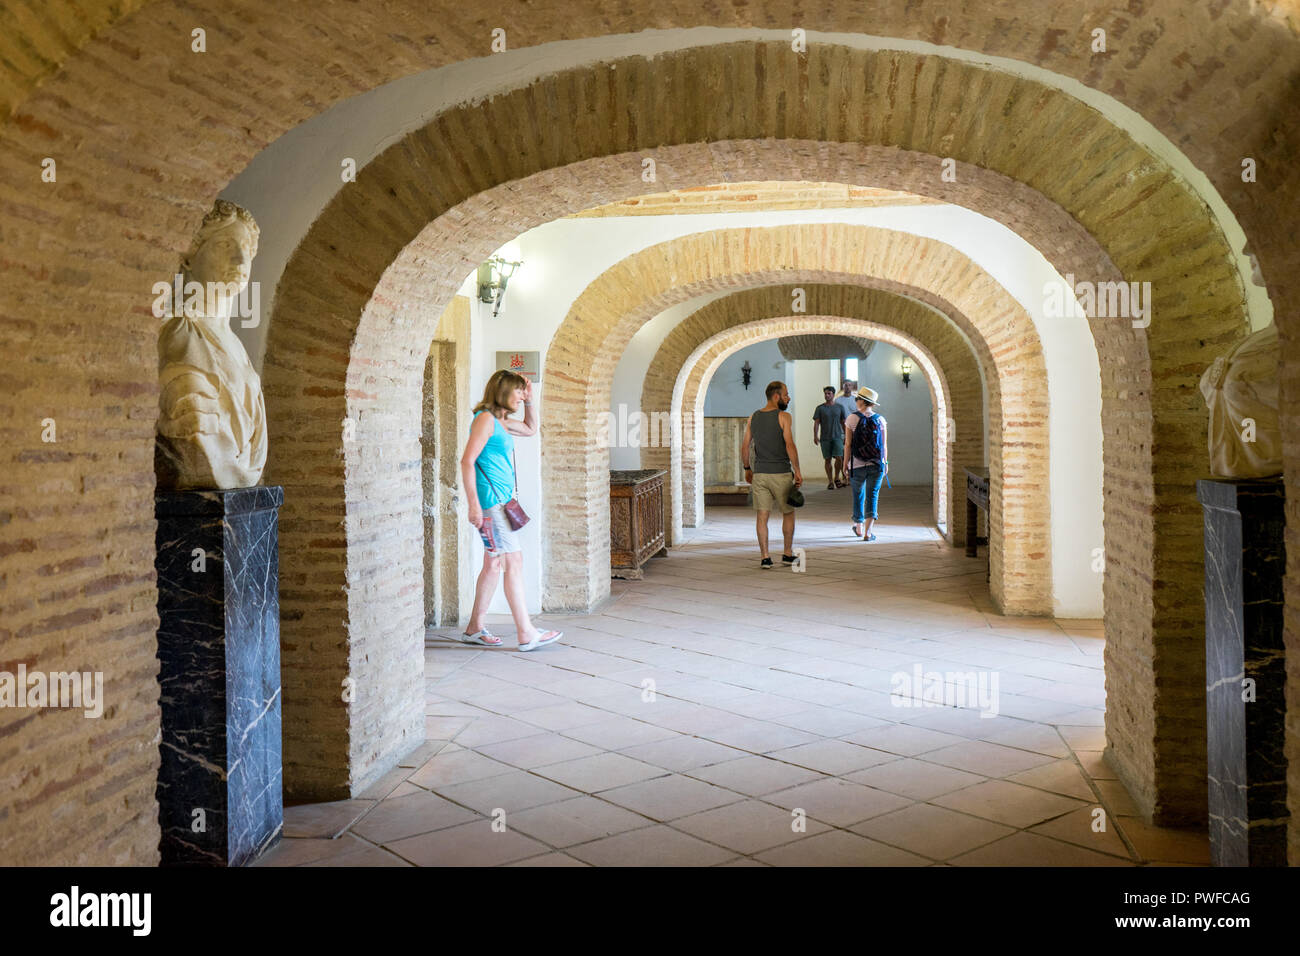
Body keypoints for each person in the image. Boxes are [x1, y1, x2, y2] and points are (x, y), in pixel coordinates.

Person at [458, 369, 562, 651]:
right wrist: (474, 506)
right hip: (491, 504)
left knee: (493, 564)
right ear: (503, 391)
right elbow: (467, 462)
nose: (521, 396)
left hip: (499, 502)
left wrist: (531, 400)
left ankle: (474, 628)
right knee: (512, 562)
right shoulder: (485, 420)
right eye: (518, 391)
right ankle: (526, 632)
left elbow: (530, 428)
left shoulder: (501, 422)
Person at [741, 381, 803, 569]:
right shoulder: (784, 416)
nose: (788, 397)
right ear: (776, 396)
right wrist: (797, 470)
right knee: (788, 513)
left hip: (760, 474)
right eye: (786, 394)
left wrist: (747, 468)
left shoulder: (754, 417)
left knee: (762, 516)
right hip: (781, 474)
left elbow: (745, 446)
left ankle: (765, 558)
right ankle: (787, 554)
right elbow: (789, 445)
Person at [842, 386, 889, 541]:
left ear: (861, 401)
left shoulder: (851, 419)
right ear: (872, 404)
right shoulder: (881, 420)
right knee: (872, 495)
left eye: (857, 399)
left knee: (858, 495)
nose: (856, 401)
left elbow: (847, 444)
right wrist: (885, 463)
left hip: (857, 464)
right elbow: (883, 445)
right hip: (877, 464)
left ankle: (859, 527)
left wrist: (845, 464)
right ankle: (869, 533)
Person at [811, 385, 847, 489]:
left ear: (833, 394)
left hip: (837, 436)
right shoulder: (820, 408)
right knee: (827, 460)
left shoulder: (839, 407)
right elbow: (817, 423)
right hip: (825, 438)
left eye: (829, 393)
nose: (826, 395)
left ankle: (836, 477)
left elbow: (843, 422)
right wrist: (815, 436)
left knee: (839, 458)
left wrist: (846, 436)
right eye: (825, 393)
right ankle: (830, 481)